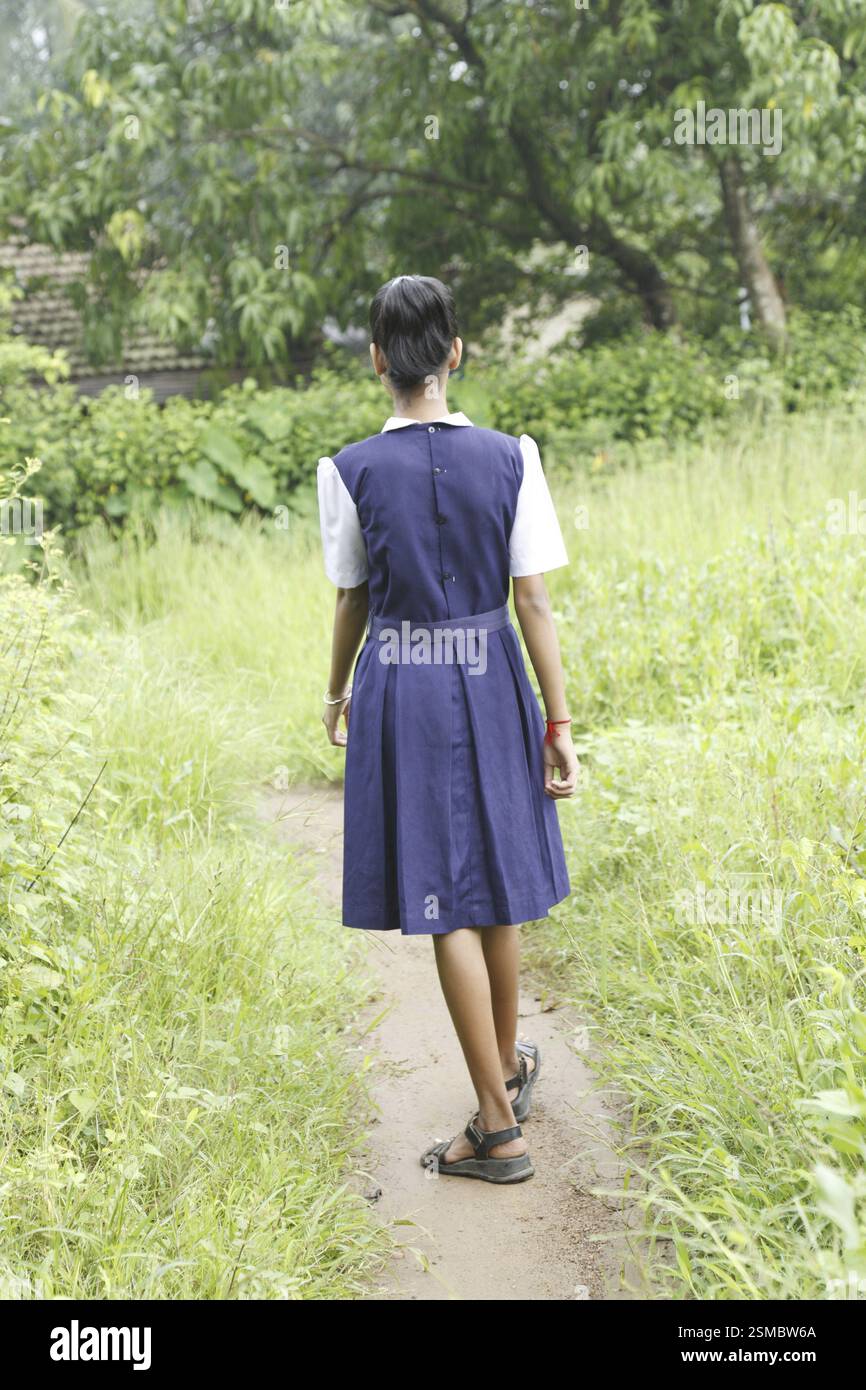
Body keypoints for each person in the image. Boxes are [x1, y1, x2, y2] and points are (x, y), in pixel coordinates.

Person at [317, 274, 578, 1183]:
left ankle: (498, 1123)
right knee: (494, 885)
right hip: (492, 667)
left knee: (441, 898)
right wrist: (558, 718)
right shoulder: (515, 456)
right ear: (455, 354)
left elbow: (353, 595)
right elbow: (534, 599)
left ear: (380, 360)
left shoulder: (347, 470)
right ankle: (502, 1073)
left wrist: (335, 691)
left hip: (405, 679)